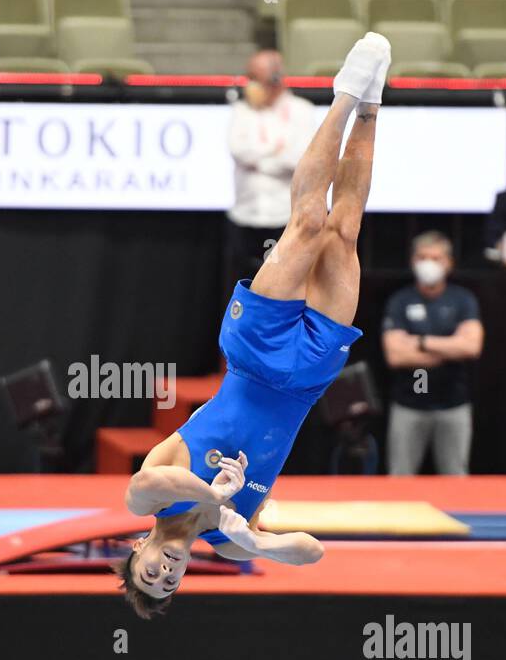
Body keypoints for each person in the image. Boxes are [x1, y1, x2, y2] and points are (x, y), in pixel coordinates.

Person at [115, 33, 392, 619]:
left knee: (308, 226)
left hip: (253, 352)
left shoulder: (148, 504)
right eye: (169, 586)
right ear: (183, 579)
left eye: (149, 576)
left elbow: (151, 482)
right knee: (345, 230)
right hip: (309, 376)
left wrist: (212, 497)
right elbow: (311, 554)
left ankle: (340, 97)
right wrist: (250, 540)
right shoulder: (227, 534)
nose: (163, 575)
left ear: (139, 551)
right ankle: (370, 105)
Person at [381, 232, 484, 476]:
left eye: (436, 258)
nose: (429, 263)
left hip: (453, 405)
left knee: (455, 478)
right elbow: (396, 356)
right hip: (408, 405)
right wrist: (449, 348)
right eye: (422, 257)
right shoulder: (400, 301)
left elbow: (471, 347)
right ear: (413, 261)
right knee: (400, 478)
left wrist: (421, 342)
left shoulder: (463, 300)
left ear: (448, 262)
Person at [224, 49, 319, 301]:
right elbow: (238, 150)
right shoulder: (241, 110)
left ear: (276, 79)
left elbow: (299, 159)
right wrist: (274, 153)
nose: (249, 84)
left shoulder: (302, 111)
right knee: (240, 294)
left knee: (282, 292)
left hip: (284, 220)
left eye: (255, 77)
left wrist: (260, 160)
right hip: (245, 217)